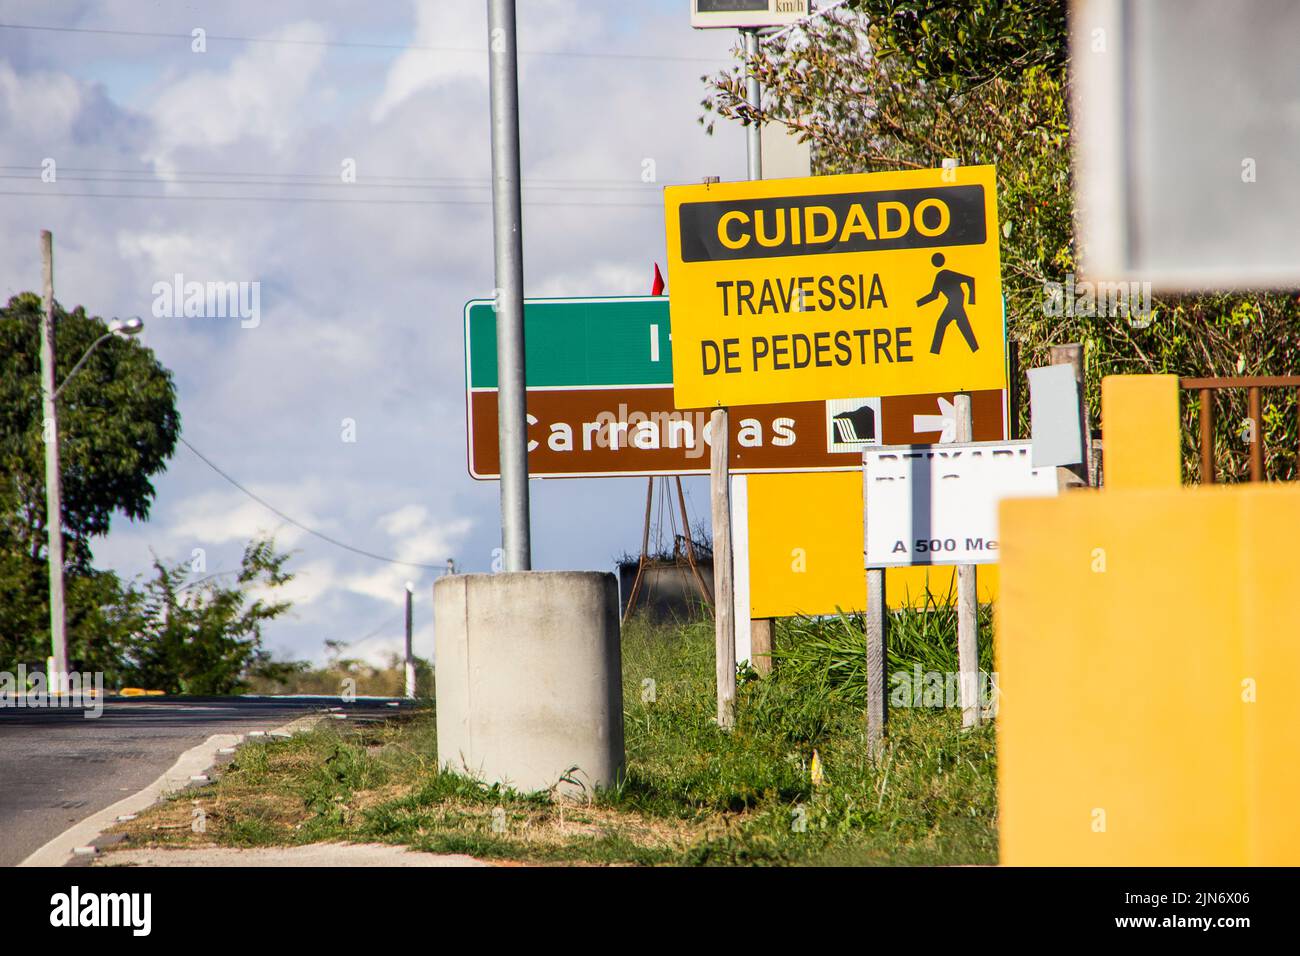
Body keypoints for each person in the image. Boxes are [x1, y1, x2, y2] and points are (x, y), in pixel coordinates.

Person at [916, 252, 978, 354]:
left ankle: (934, 352)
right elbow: (934, 295)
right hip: (953, 304)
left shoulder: (947, 273)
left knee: (943, 324)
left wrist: (971, 300)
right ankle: (975, 350)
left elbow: (970, 280)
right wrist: (918, 303)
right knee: (961, 325)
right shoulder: (939, 276)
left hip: (956, 303)